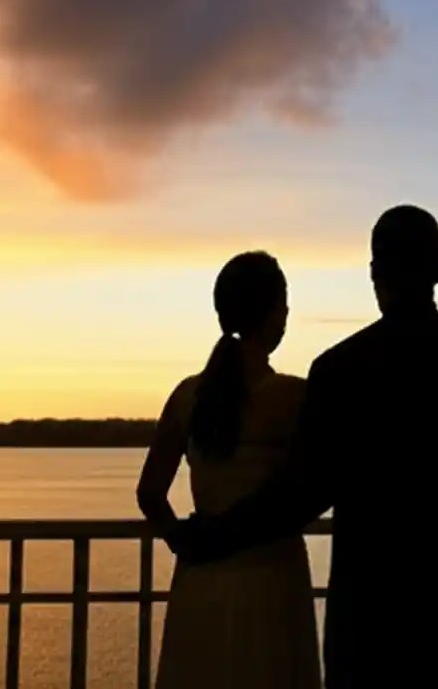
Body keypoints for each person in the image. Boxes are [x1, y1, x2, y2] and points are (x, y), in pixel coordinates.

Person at [166, 205, 438, 688]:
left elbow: (296, 496)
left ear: (374, 274)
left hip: (367, 628)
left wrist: (211, 536)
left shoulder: (338, 370)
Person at [137, 251, 320, 689]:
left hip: (201, 581)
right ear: (276, 314)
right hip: (273, 580)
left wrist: (181, 538)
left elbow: (149, 493)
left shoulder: (187, 396)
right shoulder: (294, 399)